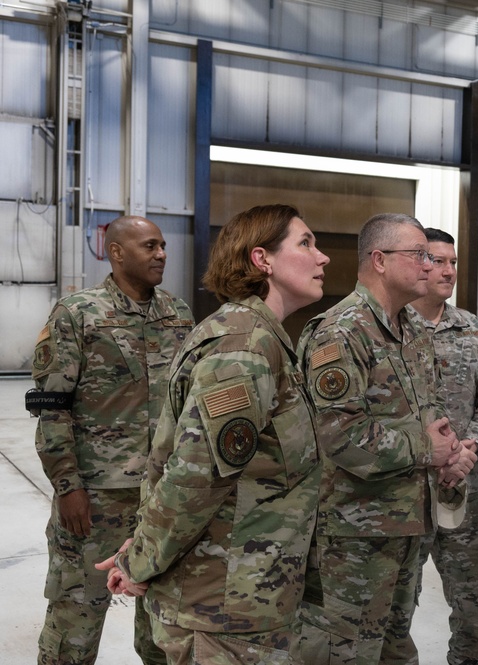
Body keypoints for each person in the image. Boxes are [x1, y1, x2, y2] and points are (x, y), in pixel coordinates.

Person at [96, 204, 329, 663]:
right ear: (263, 260)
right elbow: (194, 480)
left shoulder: (265, 338)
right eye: (306, 243)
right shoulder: (243, 347)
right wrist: (139, 560)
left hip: (249, 598)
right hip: (221, 609)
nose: (322, 258)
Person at [297, 213, 477, 664]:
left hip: (408, 526)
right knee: (349, 652)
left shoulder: (411, 329)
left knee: (395, 648)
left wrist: (448, 456)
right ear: (379, 260)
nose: (428, 265)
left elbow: (429, 414)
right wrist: (425, 450)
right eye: (419, 255)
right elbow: (340, 438)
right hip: (355, 538)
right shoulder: (339, 333)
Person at [26, 215, 192, 665]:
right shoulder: (78, 313)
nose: (161, 254)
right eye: (149, 246)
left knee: (164, 627)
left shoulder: (178, 315)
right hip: (96, 501)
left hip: (161, 498)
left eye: (162, 246)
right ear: (117, 252)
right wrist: (68, 487)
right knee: (75, 623)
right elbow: (51, 406)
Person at [410, 228, 478, 665]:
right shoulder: (387, 328)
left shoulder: (471, 329)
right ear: (415, 263)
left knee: (474, 606)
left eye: (453, 262)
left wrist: (473, 447)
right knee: (391, 610)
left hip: (461, 490)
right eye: (437, 260)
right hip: (402, 495)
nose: (448, 270)